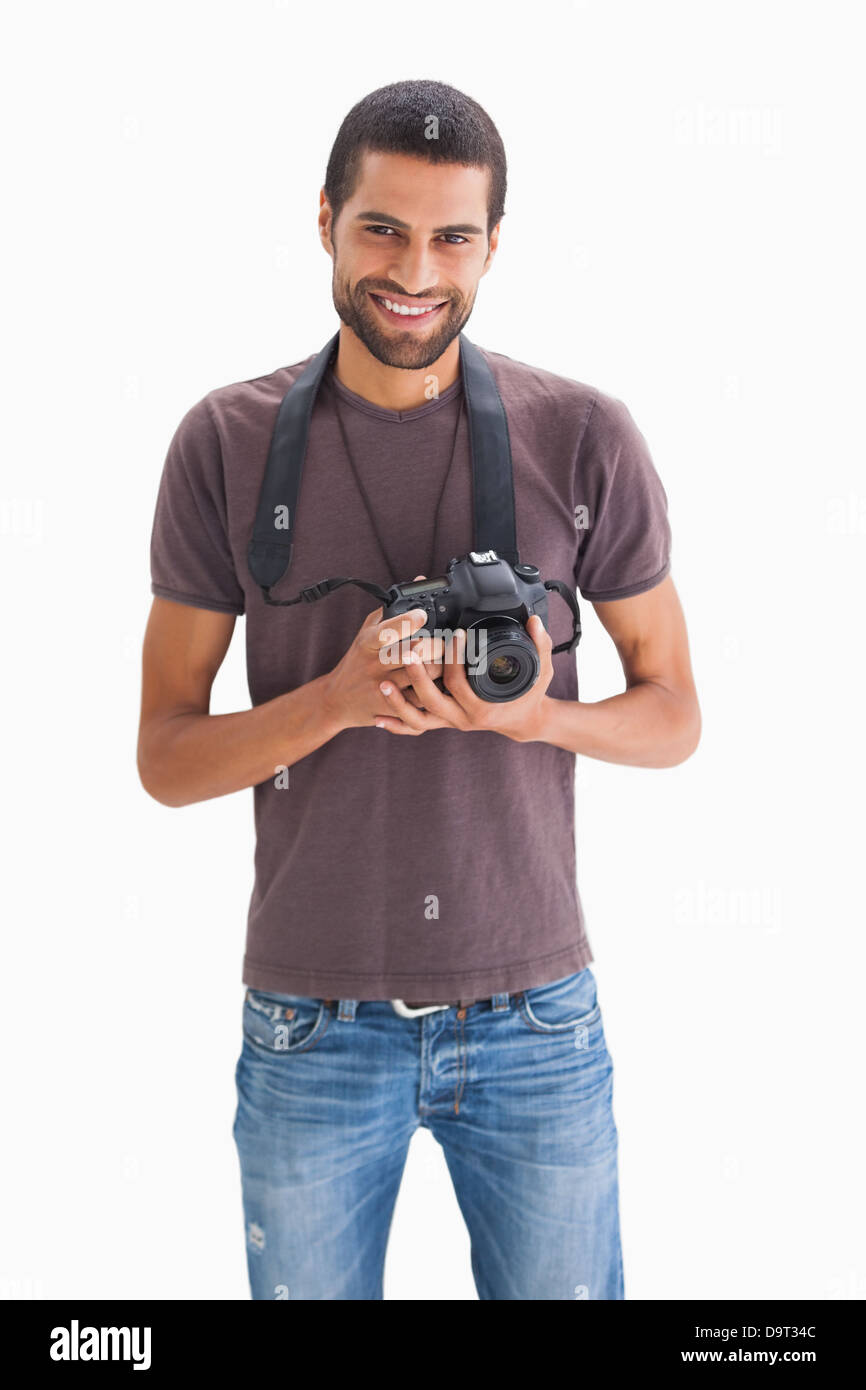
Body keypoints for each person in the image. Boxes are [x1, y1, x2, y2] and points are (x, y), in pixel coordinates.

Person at [138, 78, 701, 1301]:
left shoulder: (584, 436)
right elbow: (165, 758)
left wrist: (534, 713)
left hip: (536, 1015)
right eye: (380, 228)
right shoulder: (225, 444)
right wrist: (333, 698)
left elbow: (672, 712)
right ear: (326, 219)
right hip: (308, 1018)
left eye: (452, 236)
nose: (414, 270)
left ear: (494, 244)